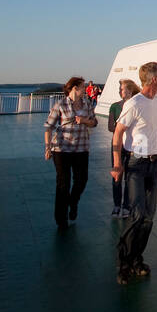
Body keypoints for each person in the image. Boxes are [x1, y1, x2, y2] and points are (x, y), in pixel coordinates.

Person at [111, 62, 157, 284]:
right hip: (136, 165)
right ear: (153, 80)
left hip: (154, 164)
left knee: (148, 217)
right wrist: (117, 163)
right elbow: (118, 133)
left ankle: (137, 259)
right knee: (137, 214)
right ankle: (123, 263)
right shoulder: (134, 103)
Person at [43, 76, 98, 230]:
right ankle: (61, 219)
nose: (85, 88)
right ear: (75, 88)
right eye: (83, 86)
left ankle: (73, 202)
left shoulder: (87, 104)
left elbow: (94, 122)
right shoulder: (60, 105)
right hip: (62, 149)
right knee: (63, 184)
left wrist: (85, 121)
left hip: (81, 148)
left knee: (82, 181)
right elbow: (48, 126)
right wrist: (47, 147)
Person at [107, 79, 139, 217]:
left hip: (131, 146)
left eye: (123, 89)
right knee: (117, 176)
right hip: (118, 146)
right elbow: (110, 127)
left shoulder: (136, 106)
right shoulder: (114, 107)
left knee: (129, 177)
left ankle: (126, 206)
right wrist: (122, 127)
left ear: (130, 90)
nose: (120, 91)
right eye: (119, 89)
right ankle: (116, 205)